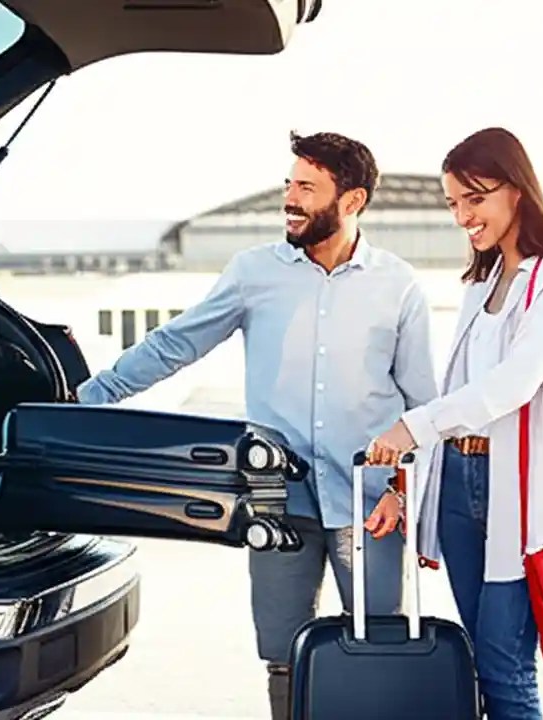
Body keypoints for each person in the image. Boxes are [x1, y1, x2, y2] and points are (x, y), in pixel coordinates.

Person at [75, 131, 438, 720]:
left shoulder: (396, 284)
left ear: (352, 201)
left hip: (369, 504)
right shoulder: (253, 272)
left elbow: (422, 403)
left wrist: (402, 492)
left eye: (307, 188)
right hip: (277, 500)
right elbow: (176, 344)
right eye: (289, 184)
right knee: (282, 652)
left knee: (377, 645)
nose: (290, 199)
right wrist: (91, 398)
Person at [362, 126, 543, 720]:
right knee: (480, 666)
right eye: (453, 203)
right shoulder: (481, 281)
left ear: (516, 189)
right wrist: (405, 486)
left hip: (515, 491)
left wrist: (411, 428)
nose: (463, 216)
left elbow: (517, 383)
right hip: (458, 485)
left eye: (475, 198)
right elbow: (457, 393)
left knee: (506, 667)